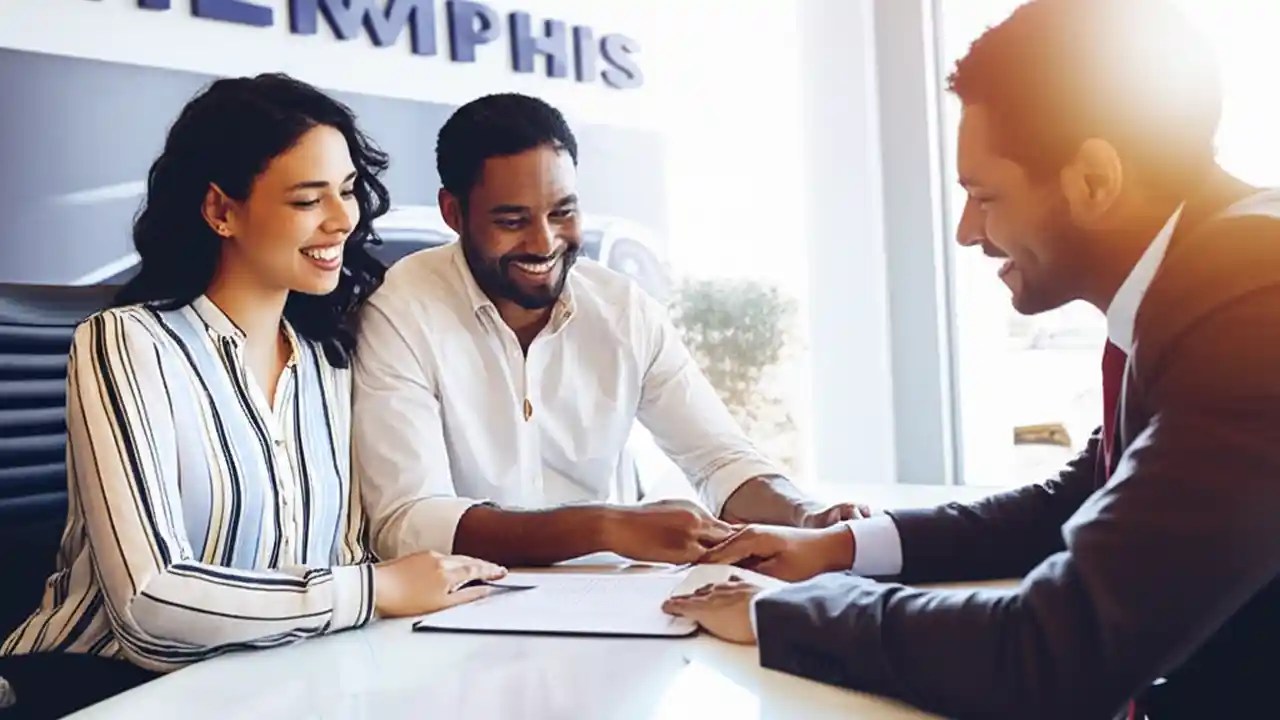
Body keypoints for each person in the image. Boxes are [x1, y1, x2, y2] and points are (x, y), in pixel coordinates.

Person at [663, 1, 1280, 718]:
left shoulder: (1252, 303)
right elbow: (1081, 499)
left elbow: (1053, 652)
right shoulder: (1206, 278)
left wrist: (791, 612)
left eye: (985, 196)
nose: (966, 232)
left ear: (1094, 179)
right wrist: (837, 548)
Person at [0, 74, 503, 716]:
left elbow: (346, 556)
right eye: (306, 200)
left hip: (265, 686)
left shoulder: (331, 360)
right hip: (92, 692)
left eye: (347, 192)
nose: (341, 218)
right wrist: (374, 591)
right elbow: (149, 605)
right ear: (221, 211)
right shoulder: (129, 342)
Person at [351, 93, 867, 568]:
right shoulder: (400, 311)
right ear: (453, 212)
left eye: (563, 212)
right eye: (512, 221)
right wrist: (604, 525)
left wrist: (808, 518)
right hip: (445, 621)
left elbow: (721, 461)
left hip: (610, 612)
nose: (545, 242)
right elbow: (409, 523)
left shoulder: (622, 309)